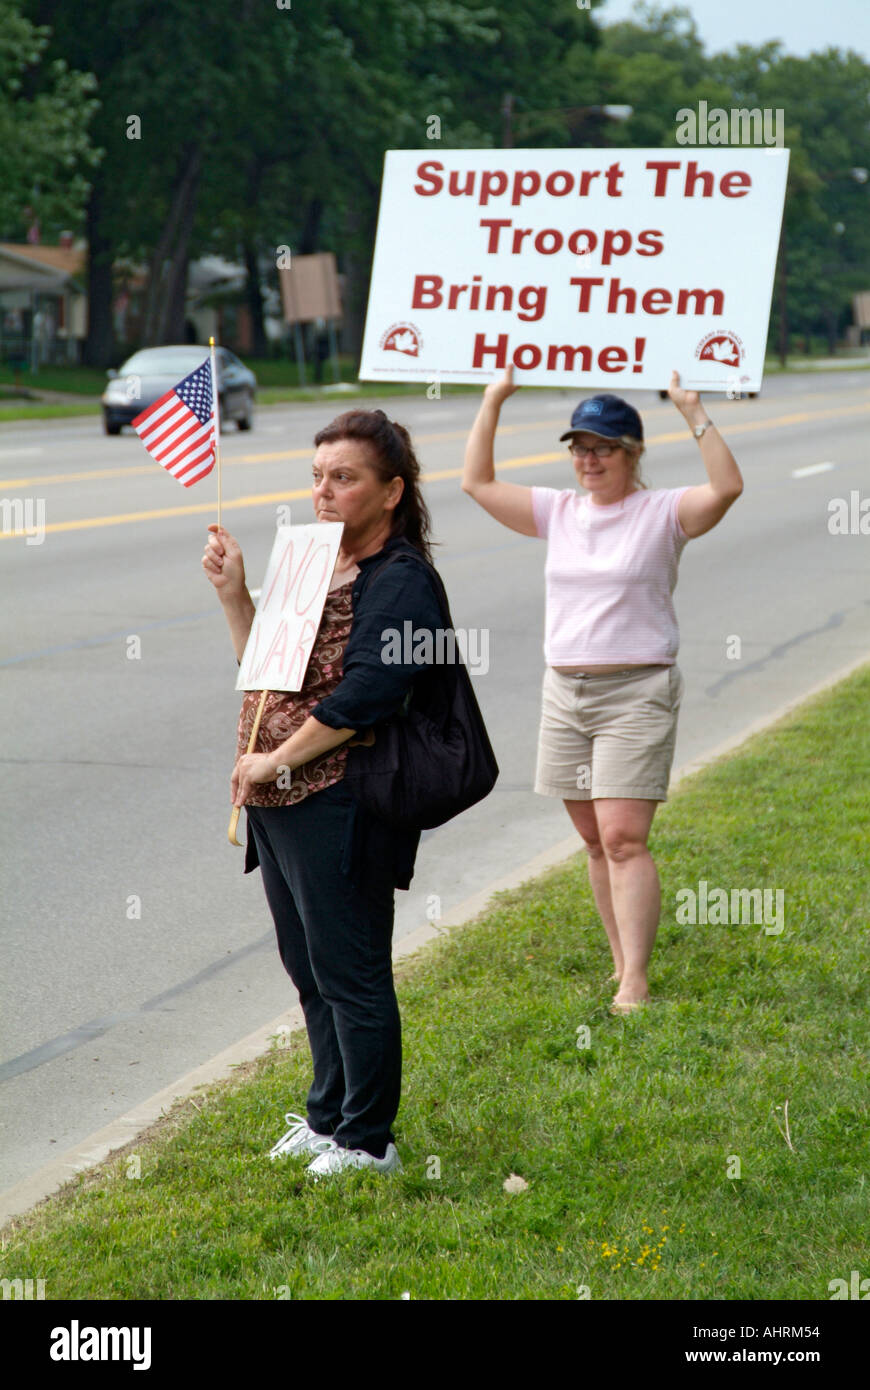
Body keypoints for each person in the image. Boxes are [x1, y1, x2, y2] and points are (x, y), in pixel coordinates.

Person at [202, 409, 445, 1177]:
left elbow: (371, 691)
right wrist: (236, 595)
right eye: (317, 477)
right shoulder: (313, 560)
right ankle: (330, 1117)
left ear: (391, 491)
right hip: (278, 803)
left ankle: (371, 1142)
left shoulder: (400, 577)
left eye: (345, 478)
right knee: (308, 967)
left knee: (352, 971)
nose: (325, 492)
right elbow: (266, 663)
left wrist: (277, 760)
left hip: (340, 800)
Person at [462, 367, 743, 1014]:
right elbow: (476, 482)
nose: (588, 460)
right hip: (566, 691)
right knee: (592, 840)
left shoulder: (662, 511)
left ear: (631, 453)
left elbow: (728, 486)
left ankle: (636, 982)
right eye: (579, 448)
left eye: (603, 448)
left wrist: (692, 408)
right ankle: (621, 963)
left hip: (637, 690)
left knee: (622, 837)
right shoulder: (559, 512)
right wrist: (492, 399)